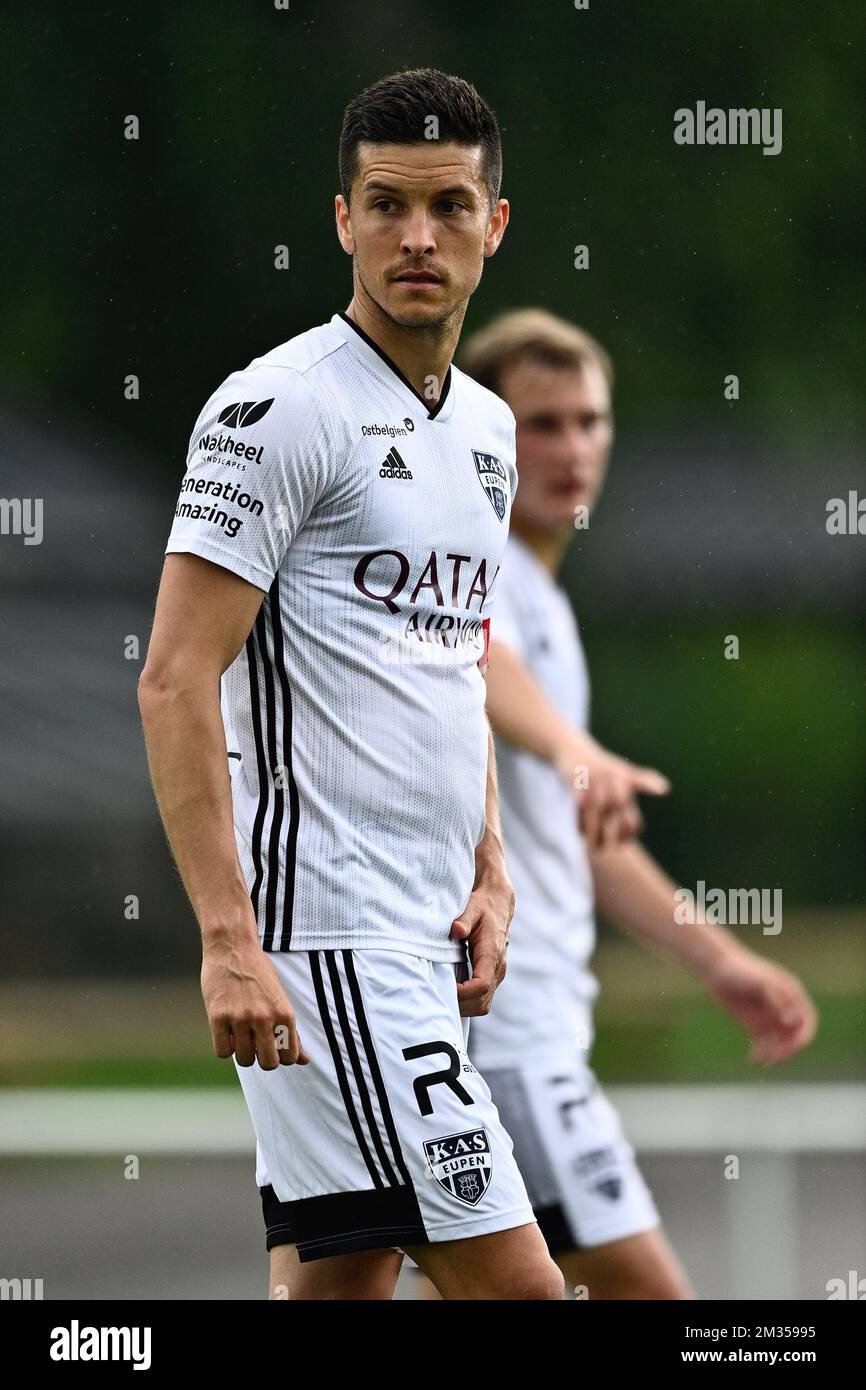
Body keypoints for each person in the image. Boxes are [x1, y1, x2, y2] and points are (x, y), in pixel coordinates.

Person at [455, 308, 818, 1299]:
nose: (571, 448)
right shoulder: (471, 559)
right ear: (487, 432)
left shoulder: (544, 597)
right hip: (507, 1033)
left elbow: (585, 837)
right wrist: (575, 745)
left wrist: (719, 957)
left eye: (589, 421)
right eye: (541, 423)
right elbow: (472, 652)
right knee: (651, 1298)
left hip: (517, 1034)